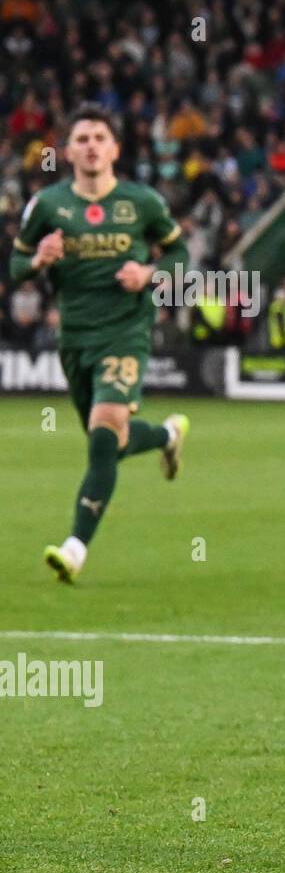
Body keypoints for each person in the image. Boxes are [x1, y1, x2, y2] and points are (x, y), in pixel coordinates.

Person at [9, 104, 191, 583]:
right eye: (82, 139)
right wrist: (38, 261)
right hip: (75, 337)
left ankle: (75, 548)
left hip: (125, 330)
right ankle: (168, 436)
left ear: (115, 148)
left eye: (99, 138)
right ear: (68, 151)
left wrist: (149, 274)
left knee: (105, 431)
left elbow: (180, 254)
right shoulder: (47, 206)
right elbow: (14, 265)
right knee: (107, 442)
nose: (91, 146)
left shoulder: (142, 202)